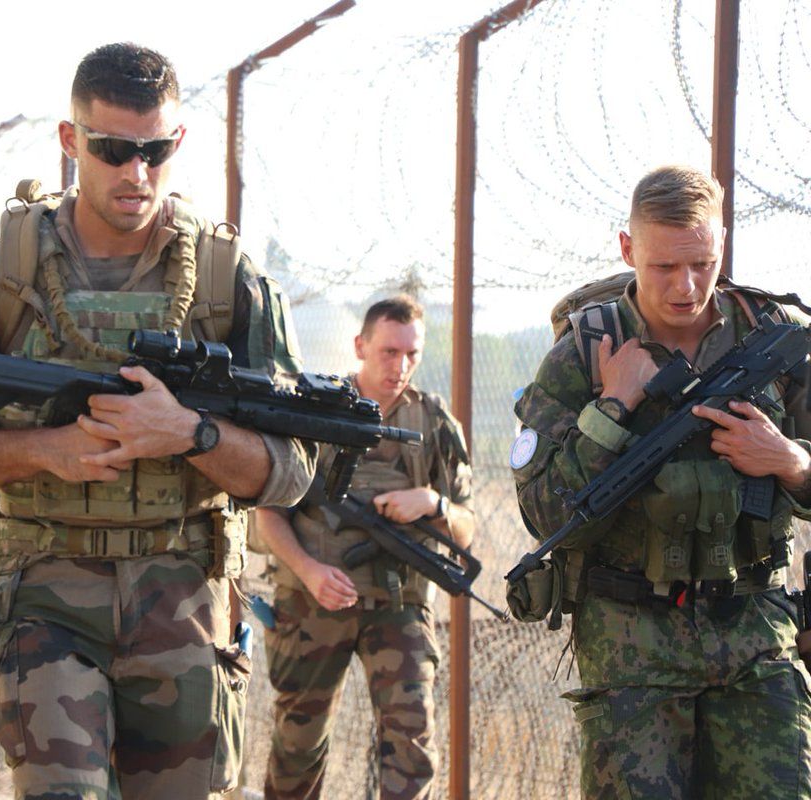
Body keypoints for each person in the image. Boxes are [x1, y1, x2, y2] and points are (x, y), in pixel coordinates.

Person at [0, 42, 314, 799]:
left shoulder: (225, 280)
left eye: (154, 151)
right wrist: (47, 450)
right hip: (42, 596)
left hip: (181, 600)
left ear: (177, 143)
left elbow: (290, 470)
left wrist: (189, 434)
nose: (136, 172)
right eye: (113, 149)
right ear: (70, 141)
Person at [511, 165, 811, 797]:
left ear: (722, 244)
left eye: (702, 263)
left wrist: (788, 461)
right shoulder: (586, 351)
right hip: (632, 652)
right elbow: (544, 509)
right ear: (628, 249)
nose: (686, 286)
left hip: (756, 640)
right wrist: (612, 408)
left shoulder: (776, 337)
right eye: (664, 267)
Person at [256, 295, 474, 800]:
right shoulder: (315, 412)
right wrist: (309, 570)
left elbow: (466, 531)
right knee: (298, 744)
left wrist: (434, 503)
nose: (400, 366)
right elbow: (268, 512)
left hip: (399, 606)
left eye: (411, 354)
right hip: (314, 602)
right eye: (388, 351)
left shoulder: (435, 424)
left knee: (410, 743)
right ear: (361, 345)